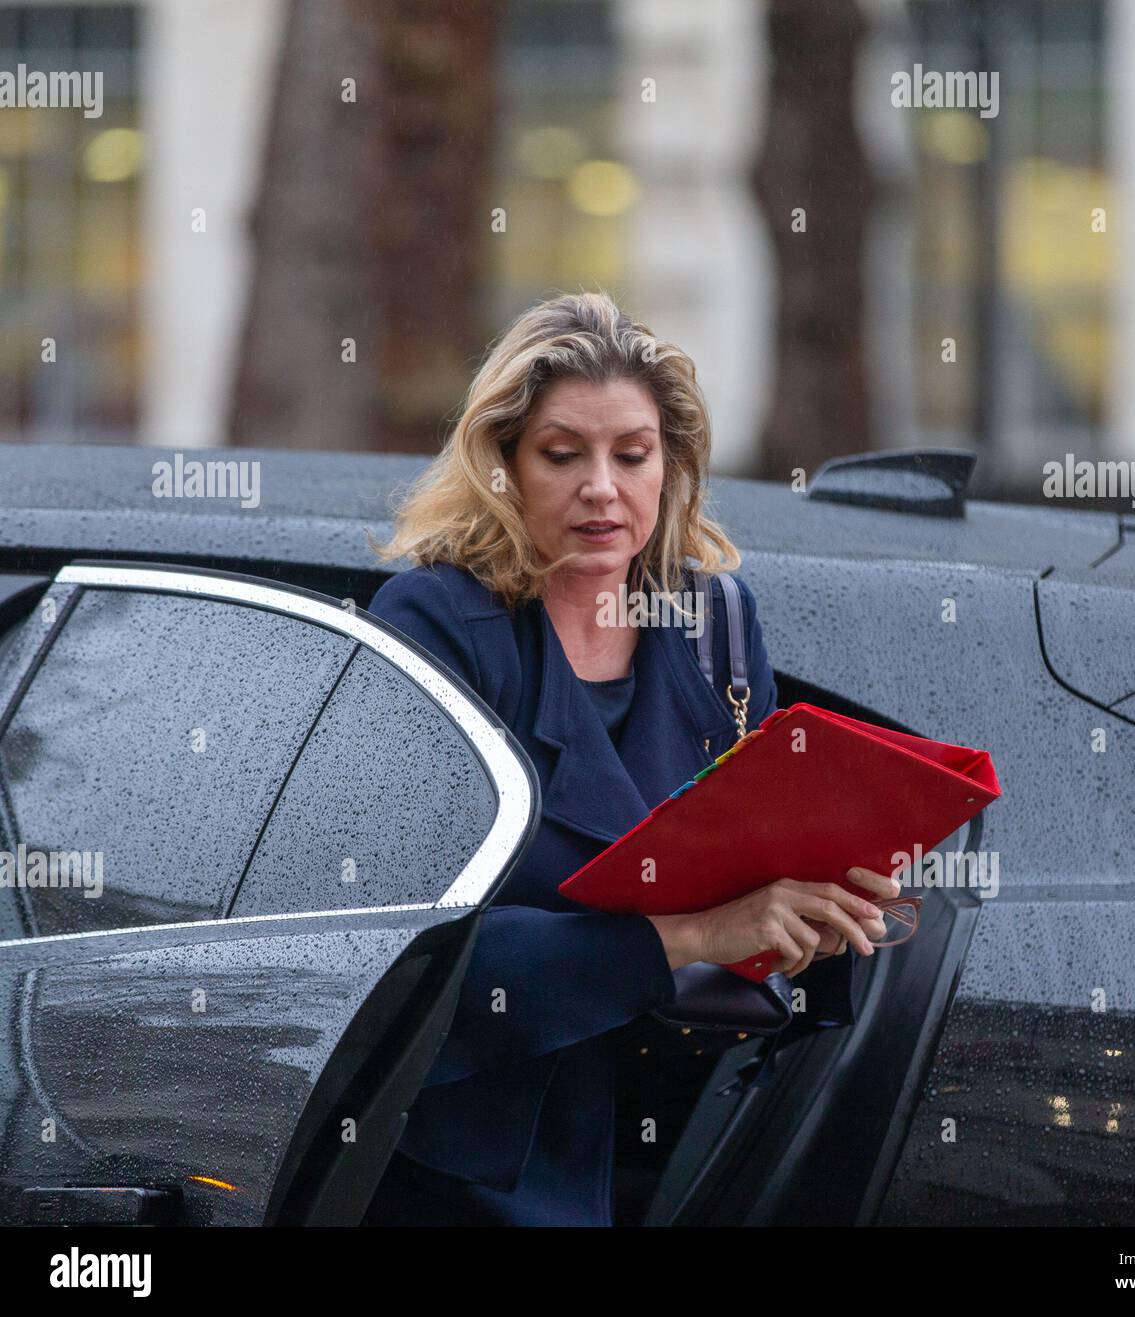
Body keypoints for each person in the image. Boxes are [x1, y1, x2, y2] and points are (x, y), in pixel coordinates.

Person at [361, 290, 899, 1226]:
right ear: (503, 464)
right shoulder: (439, 623)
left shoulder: (714, 619)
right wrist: (691, 934)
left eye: (632, 454)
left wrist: (830, 901)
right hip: (479, 1151)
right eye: (562, 453)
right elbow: (405, 949)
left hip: (692, 1117)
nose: (602, 488)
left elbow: (758, 858)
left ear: (670, 465)